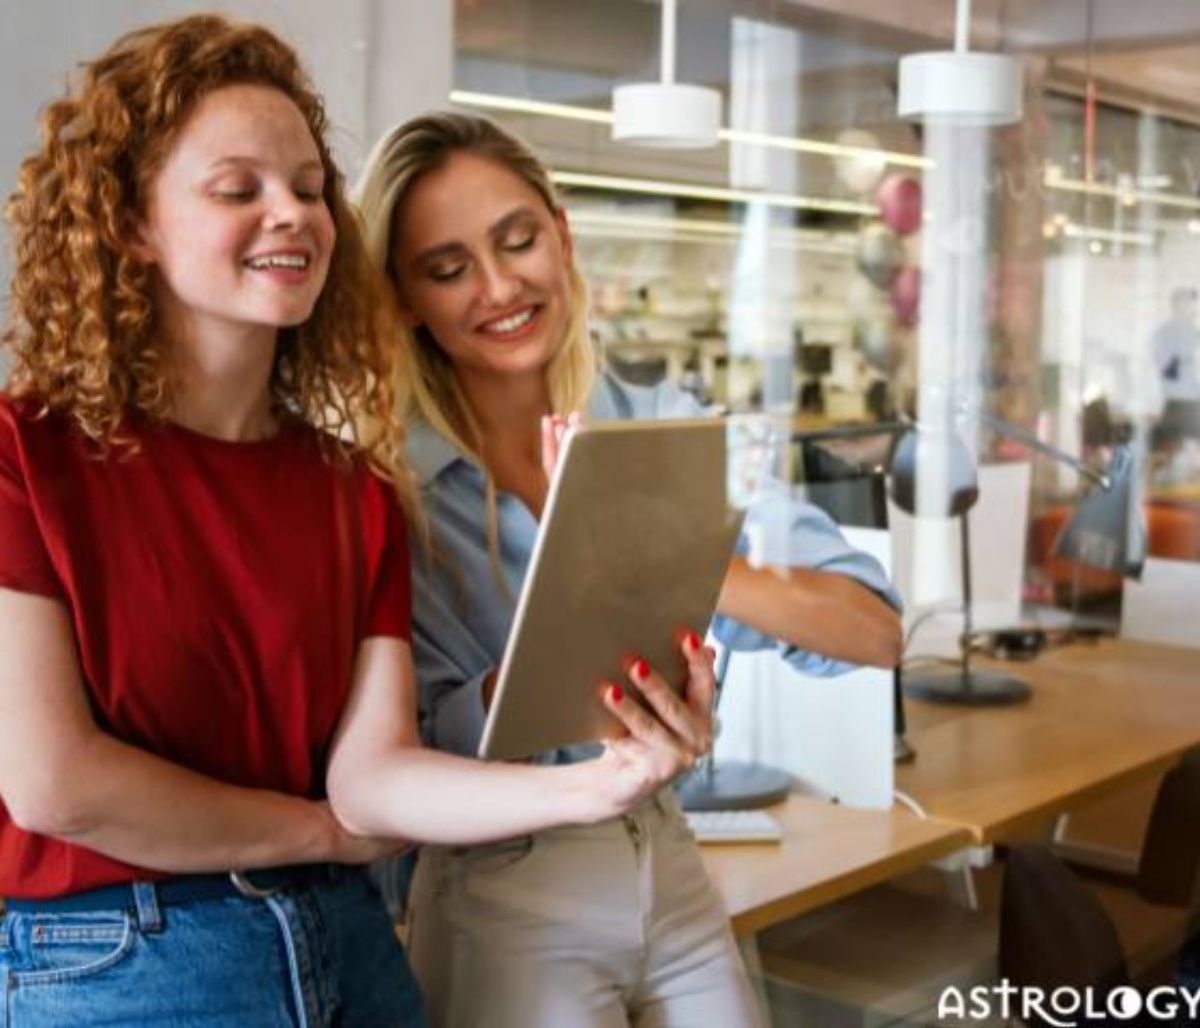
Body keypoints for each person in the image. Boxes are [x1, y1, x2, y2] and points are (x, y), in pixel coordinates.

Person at [0, 20, 714, 1027]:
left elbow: (375, 769)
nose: (292, 213)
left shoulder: (352, 487)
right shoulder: (22, 453)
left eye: (307, 184)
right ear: (130, 225)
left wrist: (600, 782)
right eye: (238, 188)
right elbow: (55, 784)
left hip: (346, 945)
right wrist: (322, 832)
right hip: (123, 956)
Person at [356, 111, 903, 1028]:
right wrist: (561, 656)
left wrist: (668, 545)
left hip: (668, 856)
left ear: (562, 236)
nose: (498, 287)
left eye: (519, 240)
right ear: (406, 297)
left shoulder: (664, 424)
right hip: (503, 889)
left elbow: (872, 630)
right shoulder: (392, 490)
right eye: (448, 270)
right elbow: (403, 761)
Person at [1153, 287, 1200, 402]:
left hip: (1192, 397)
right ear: (1176, 307)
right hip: (1176, 400)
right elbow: (1166, 373)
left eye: (1193, 305)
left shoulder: (1193, 332)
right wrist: (1183, 357)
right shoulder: (1165, 333)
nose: (1194, 310)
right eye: (1188, 305)